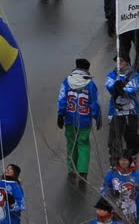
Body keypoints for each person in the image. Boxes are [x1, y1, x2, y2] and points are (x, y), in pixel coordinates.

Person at [58, 58, 102, 186]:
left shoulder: (67, 81)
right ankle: (83, 171)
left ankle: (71, 168)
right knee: (83, 144)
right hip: (84, 121)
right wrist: (97, 118)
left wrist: (60, 115)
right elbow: (94, 103)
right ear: (87, 69)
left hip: (70, 119)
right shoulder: (90, 84)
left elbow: (62, 99)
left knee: (71, 143)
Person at [105, 54, 139, 161]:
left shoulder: (135, 75)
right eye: (117, 61)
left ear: (127, 62)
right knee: (114, 139)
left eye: (121, 60)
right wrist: (115, 87)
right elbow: (109, 86)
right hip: (116, 112)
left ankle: (132, 160)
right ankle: (115, 163)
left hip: (131, 112)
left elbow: (134, 89)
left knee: (132, 138)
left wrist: (122, 89)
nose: (119, 63)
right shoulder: (111, 75)